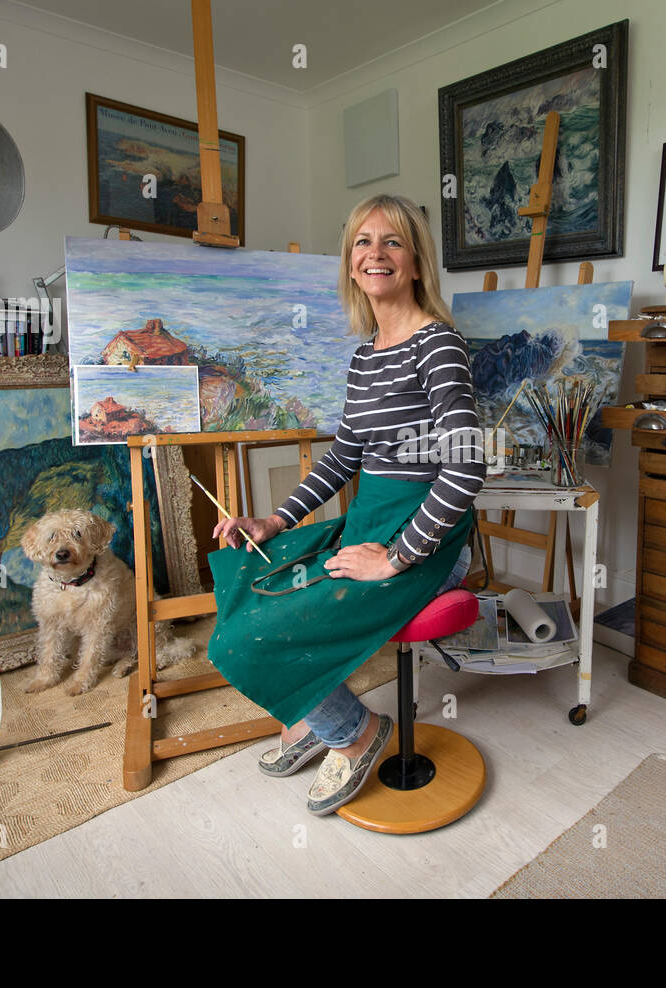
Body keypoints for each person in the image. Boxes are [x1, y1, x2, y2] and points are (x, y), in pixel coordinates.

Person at [208, 193, 485, 816]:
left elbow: (467, 466)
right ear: (351, 262)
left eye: (391, 241)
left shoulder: (437, 346)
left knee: (246, 642)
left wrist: (396, 558)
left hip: (426, 541)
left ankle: (353, 733)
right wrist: (274, 520)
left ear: (415, 262)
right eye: (363, 241)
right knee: (246, 580)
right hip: (367, 522)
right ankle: (313, 714)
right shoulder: (364, 357)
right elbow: (342, 459)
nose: (375, 252)